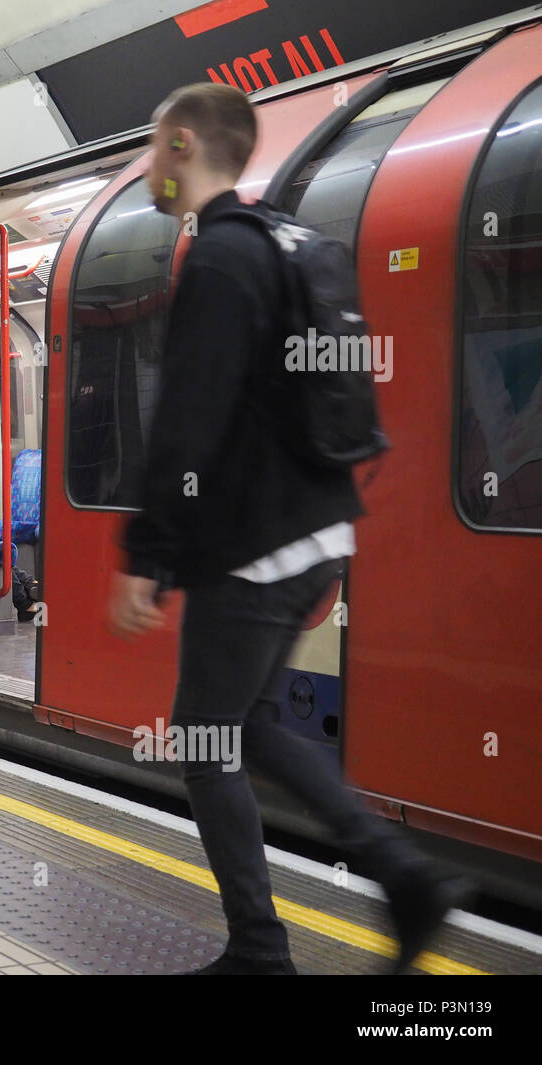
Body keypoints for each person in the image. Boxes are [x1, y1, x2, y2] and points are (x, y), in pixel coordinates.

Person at [108, 83, 470, 975]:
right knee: (253, 725)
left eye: (156, 151)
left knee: (201, 740)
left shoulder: (224, 256)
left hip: (257, 547)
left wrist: (146, 554)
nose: (152, 170)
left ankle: (265, 950)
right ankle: (398, 878)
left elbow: (189, 420)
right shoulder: (287, 239)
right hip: (322, 533)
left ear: (183, 143)